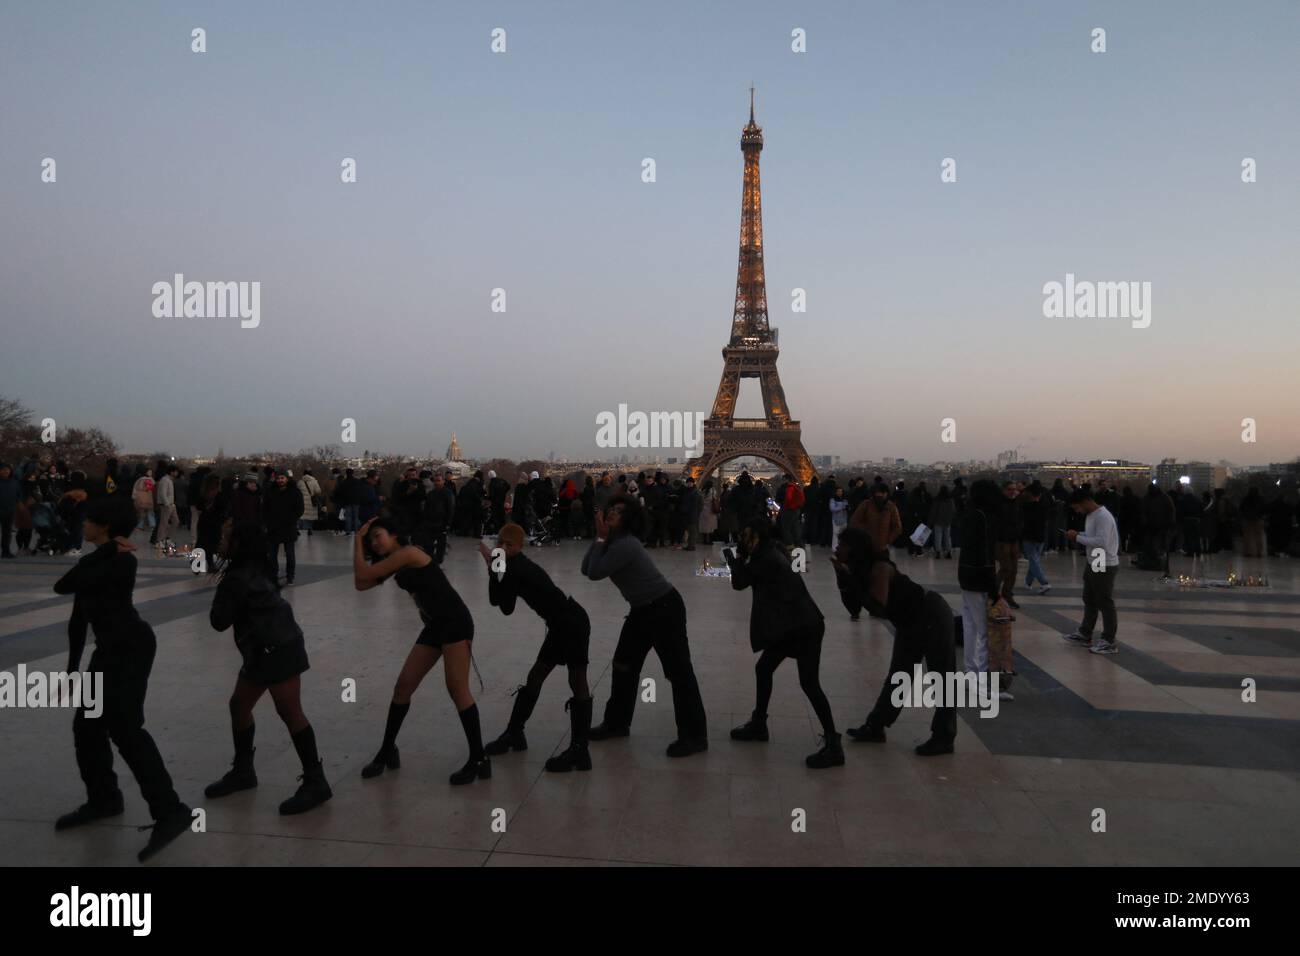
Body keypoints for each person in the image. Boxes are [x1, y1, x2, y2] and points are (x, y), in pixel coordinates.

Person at [51, 496, 193, 861]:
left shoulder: (121, 561)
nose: (83, 526)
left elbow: (64, 584)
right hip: (108, 651)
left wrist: (109, 550)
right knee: (87, 728)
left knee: (127, 730)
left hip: (131, 648)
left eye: (89, 521)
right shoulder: (101, 559)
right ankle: (104, 798)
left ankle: (171, 810)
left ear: (105, 527)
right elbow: (78, 619)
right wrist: (71, 671)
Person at [204, 521, 332, 814]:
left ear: (238, 543)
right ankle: (244, 771)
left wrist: (219, 589)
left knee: (289, 712)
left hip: (276, 649)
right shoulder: (260, 567)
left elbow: (218, 621)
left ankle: (316, 781)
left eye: (226, 536)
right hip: (269, 646)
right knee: (239, 706)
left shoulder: (236, 578)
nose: (221, 540)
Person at [354, 517, 486, 784]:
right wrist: (361, 544)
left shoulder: (409, 554)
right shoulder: (397, 561)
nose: (374, 542)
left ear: (394, 535)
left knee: (457, 689)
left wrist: (356, 540)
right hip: (435, 626)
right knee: (403, 687)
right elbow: (361, 584)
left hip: (455, 624)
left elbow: (364, 575)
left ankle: (479, 760)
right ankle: (387, 751)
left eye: (378, 536)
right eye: (370, 540)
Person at [584, 493, 708, 757]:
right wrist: (600, 537)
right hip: (642, 610)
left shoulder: (626, 544)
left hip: (663, 608)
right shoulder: (613, 541)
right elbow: (587, 568)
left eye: (618, 511)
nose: (611, 513)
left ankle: (694, 736)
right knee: (623, 666)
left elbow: (595, 572)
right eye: (611, 509)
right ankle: (617, 722)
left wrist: (601, 538)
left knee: (678, 672)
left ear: (628, 519)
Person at [724, 517, 841, 768]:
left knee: (809, 683)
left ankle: (834, 744)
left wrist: (734, 560)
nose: (742, 540)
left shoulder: (764, 559)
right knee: (764, 669)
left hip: (801, 627)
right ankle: (759, 723)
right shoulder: (772, 551)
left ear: (756, 536)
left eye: (745, 536)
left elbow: (739, 583)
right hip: (795, 623)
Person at [479, 523, 594, 771]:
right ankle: (515, 733)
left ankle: (579, 750)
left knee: (577, 681)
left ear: (519, 547)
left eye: (509, 544)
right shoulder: (512, 565)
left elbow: (504, 606)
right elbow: (497, 600)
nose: (503, 547)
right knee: (536, 676)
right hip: (562, 623)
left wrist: (493, 568)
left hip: (571, 624)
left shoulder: (517, 568)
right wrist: (494, 568)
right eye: (500, 543)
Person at [839, 528, 958, 756]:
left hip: (931, 613)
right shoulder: (860, 569)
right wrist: (843, 579)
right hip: (909, 621)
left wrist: (850, 581)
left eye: (842, 544)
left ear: (854, 549)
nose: (837, 548)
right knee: (899, 675)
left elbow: (878, 608)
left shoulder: (880, 568)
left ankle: (944, 737)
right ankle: (876, 726)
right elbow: (853, 606)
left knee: (942, 677)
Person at [1061, 489, 1121, 655]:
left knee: (1104, 601)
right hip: (1095, 559)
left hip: (1104, 560)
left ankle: (1108, 641)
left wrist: (1077, 538)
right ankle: (1085, 632)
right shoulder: (1091, 515)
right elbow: (1093, 536)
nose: (1077, 511)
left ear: (1085, 502)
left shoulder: (1103, 516)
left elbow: (1101, 542)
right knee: (1089, 598)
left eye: (1077, 507)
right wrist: (1079, 534)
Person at [957, 480, 1000, 675]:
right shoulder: (983, 517)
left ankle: (971, 672)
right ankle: (982, 676)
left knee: (970, 627)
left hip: (967, 575)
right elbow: (984, 554)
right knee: (984, 630)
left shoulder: (970, 513)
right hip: (979, 577)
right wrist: (992, 585)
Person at [264, 471, 304, 585]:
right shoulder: (270, 491)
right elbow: (265, 508)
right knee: (272, 554)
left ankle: (290, 576)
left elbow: (300, 509)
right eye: (278, 478)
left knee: (290, 554)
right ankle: (273, 574)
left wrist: (292, 520)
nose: (280, 480)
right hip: (273, 526)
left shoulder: (295, 492)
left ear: (287, 479)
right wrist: (267, 521)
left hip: (288, 526)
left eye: (282, 478)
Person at [849, 481, 901, 555]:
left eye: (882, 493)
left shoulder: (891, 507)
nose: (880, 496)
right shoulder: (866, 505)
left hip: (883, 548)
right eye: (878, 494)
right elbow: (854, 522)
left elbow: (897, 527)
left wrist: (888, 541)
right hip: (866, 546)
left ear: (886, 494)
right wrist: (866, 533)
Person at [993, 482, 1023, 608]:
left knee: (1013, 570)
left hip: (1013, 540)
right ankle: (993, 593)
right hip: (1002, 540)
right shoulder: (998, 504)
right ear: (1003, 490)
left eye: (1014, 489)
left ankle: (1007, 594)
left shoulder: (1016, 503)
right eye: (1009, 489)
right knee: (1006, 568)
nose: (1013, 492)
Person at [1019, 481, 1051, 594]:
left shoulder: (1024, 506)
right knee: (1035, 561)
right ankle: (1027, 582)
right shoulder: (1044, 506)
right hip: (1041, 536)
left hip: (1028, 536)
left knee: (1033, 561)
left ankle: (1044, 583)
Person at [418, 470, 456, 563]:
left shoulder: (447, 493)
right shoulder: (431, 494)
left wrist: (448, 523)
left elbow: (450, 509)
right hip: (430, 523)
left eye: (439, 480)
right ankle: (430, 560)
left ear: (443, 481)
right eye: (435, 481)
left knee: (441, 545)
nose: (437, 482)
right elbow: (427, 508)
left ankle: (439, 560)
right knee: (429, 544)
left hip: (442, 523)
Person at [928, 485, 955, 559]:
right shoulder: (950, 500)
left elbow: (933, 512)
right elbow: (953, 511)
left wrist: (930, 521)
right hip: (948, 521)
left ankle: (938, 552)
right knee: (947, 537)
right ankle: (948, 552)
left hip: (938, 521)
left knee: (938, 537)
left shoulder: (937, 500)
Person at [296, 467, 323, 538]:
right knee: (310, 518)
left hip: (302, 502)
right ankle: (309, 529)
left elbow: (297, 491)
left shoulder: (300, 481)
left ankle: (300, 530)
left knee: (302, 516)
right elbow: (318, 491)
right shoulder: (314, 481)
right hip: (311, 502)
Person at [0, 462, 19, 558]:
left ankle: (5, 551)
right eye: (3, 469)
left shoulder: (14, 481)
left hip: (10, 510)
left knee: (7, 533)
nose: (6, 471)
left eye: (7, 469)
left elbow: (17, 495)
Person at [828, 486, 850, 552]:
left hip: (844, 519)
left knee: (843, 534)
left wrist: (848, 508)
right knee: (836, 533)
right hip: (836, 519)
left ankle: (842, 547)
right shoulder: (833, 499)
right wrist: (842, 507)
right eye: (838, 491)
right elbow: (832, 509)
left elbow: (847, 507)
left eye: (841, 491)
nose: (840, 493)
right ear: (836, 492)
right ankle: (835, 548)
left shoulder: (845, 499)